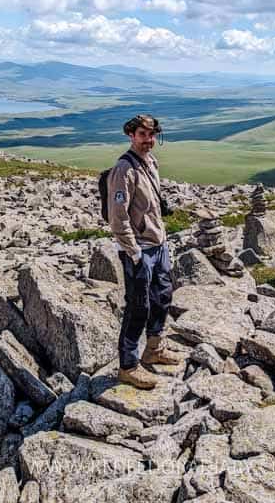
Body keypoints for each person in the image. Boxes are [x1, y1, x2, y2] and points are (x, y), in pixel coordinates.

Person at [107, 113, 179, 389]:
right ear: (131, 135)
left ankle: (154, 348)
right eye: (142, 135)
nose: (148, 140)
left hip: (158, 244)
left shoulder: (151, 163)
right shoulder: (123, 169)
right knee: (138, 306)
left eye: (151, 135)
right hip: (138, 249)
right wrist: (133, 251)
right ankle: (128, 366)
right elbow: (118, 217)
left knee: (162, 297)